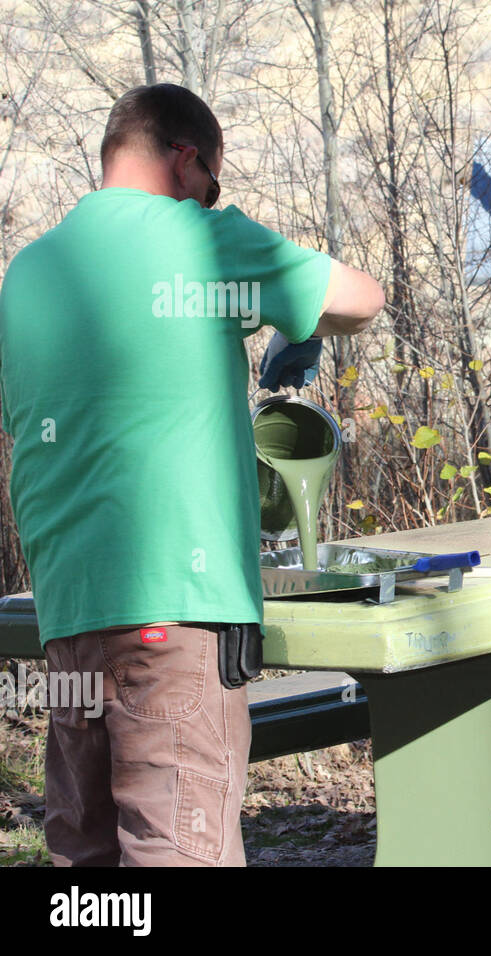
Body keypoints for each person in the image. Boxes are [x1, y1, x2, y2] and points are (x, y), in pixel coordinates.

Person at [0, 83, 384, 866]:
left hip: (68, 619)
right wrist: (290, 315)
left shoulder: (29, 273)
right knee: (178, 847)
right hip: (175, 615)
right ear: (185, 159)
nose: (215, 197)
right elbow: (362, 300)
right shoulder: (204, 240)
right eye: (216, 180)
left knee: (89, 857)